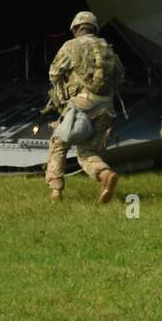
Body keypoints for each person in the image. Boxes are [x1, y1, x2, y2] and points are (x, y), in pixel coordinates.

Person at [45, 11, 125, 204]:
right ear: (94, 28)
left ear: (75, 28)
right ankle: (105, 175)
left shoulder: (70, 46)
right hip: (106, 106)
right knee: (88, 152)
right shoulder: (107, 47)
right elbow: (120, 76)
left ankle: (56, 190)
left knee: (59, 142)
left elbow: (54, 74)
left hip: (80, 105)